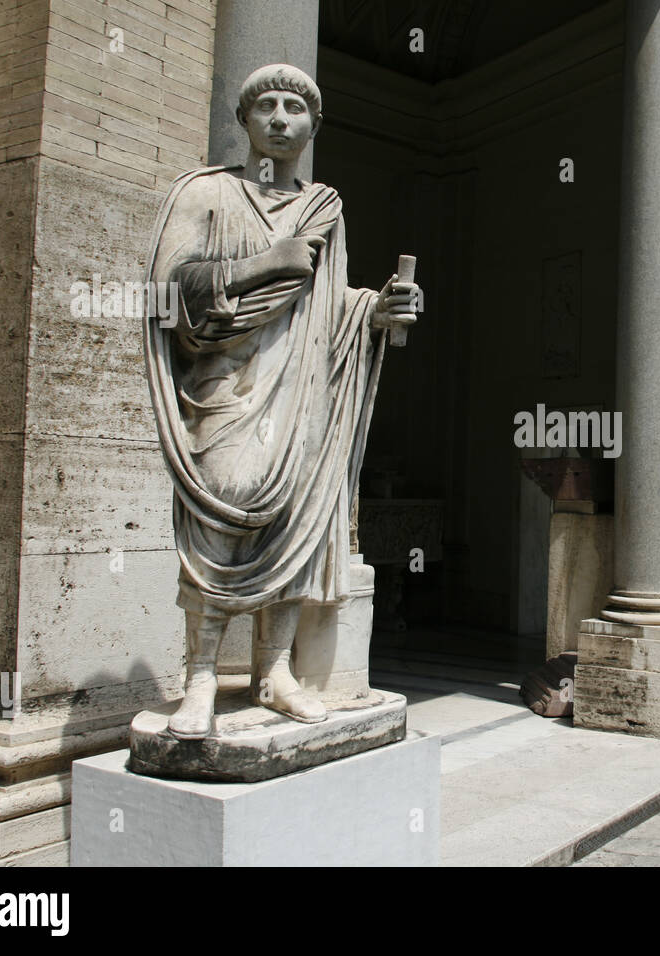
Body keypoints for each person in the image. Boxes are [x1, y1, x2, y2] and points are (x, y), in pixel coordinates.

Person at [143, 64, 419, 739]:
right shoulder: (206, 194)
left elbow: (332, 307)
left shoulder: (325, 207)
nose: (278, 117)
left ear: (312, 125)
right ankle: (202, 676)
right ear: (244, 121)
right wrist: (263, 263)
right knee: (224, 508)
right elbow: (165, 294)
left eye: (294, 107)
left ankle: (274, 671)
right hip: (225, 389)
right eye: (264, 105)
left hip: (302, 392)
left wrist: (377, 312)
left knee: (298, 515)